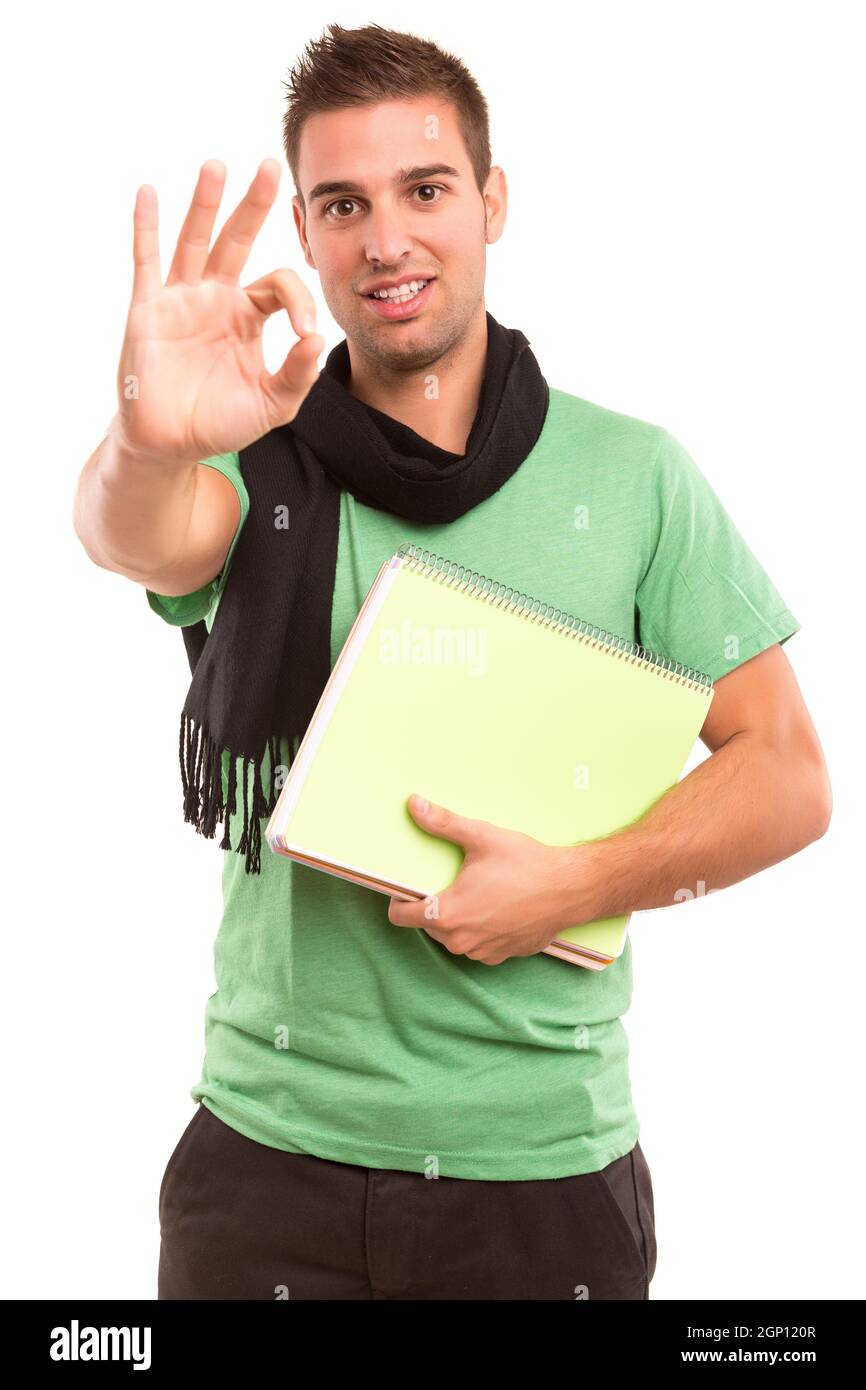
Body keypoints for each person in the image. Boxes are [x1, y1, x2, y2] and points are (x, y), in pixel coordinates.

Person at [72, 22, 832, 1301]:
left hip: (538, 1179)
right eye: (341, 203)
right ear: (307, 235)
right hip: (264, 1158)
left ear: (490, 201)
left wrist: (576, 881)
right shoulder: (252, 450)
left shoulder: (633, 476)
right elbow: (132, 539)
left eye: (424, 190)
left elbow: (789, 775)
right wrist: (149, 442)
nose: (385, 239)